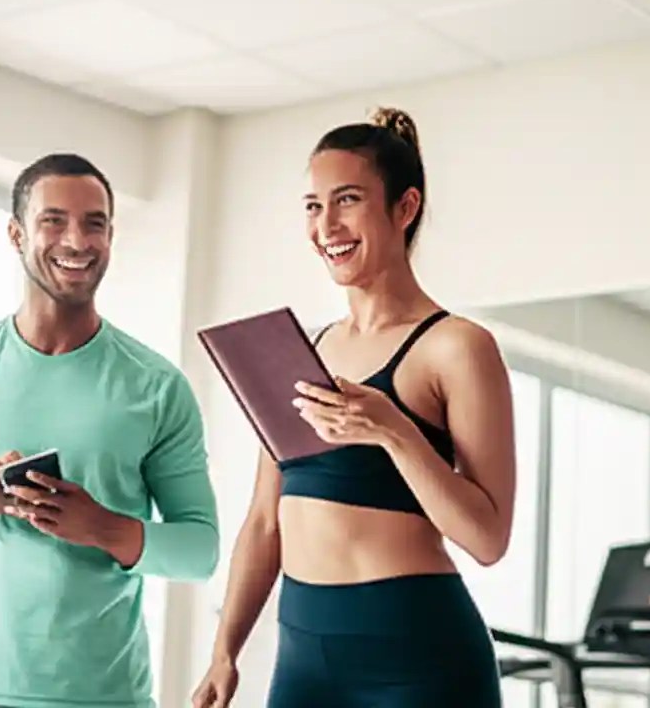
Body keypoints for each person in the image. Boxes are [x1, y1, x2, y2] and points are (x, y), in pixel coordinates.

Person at [192, 108, 516, 708]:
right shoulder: (304, 350)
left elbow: (488, 536)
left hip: (417, 657)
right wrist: (224, 652)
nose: (326, 225)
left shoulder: (457, 347)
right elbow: (265, 521)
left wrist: (395, 432)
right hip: (304, 660)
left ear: (405, 206)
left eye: (347, 201)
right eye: (313, 206)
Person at [0, 154, 219, 708]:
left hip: (102, 697)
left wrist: (101, 526)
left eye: (95, 223)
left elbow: (198, 549)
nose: (77, 240)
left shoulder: (157, 387)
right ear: (16, 234)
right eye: (53, 220)